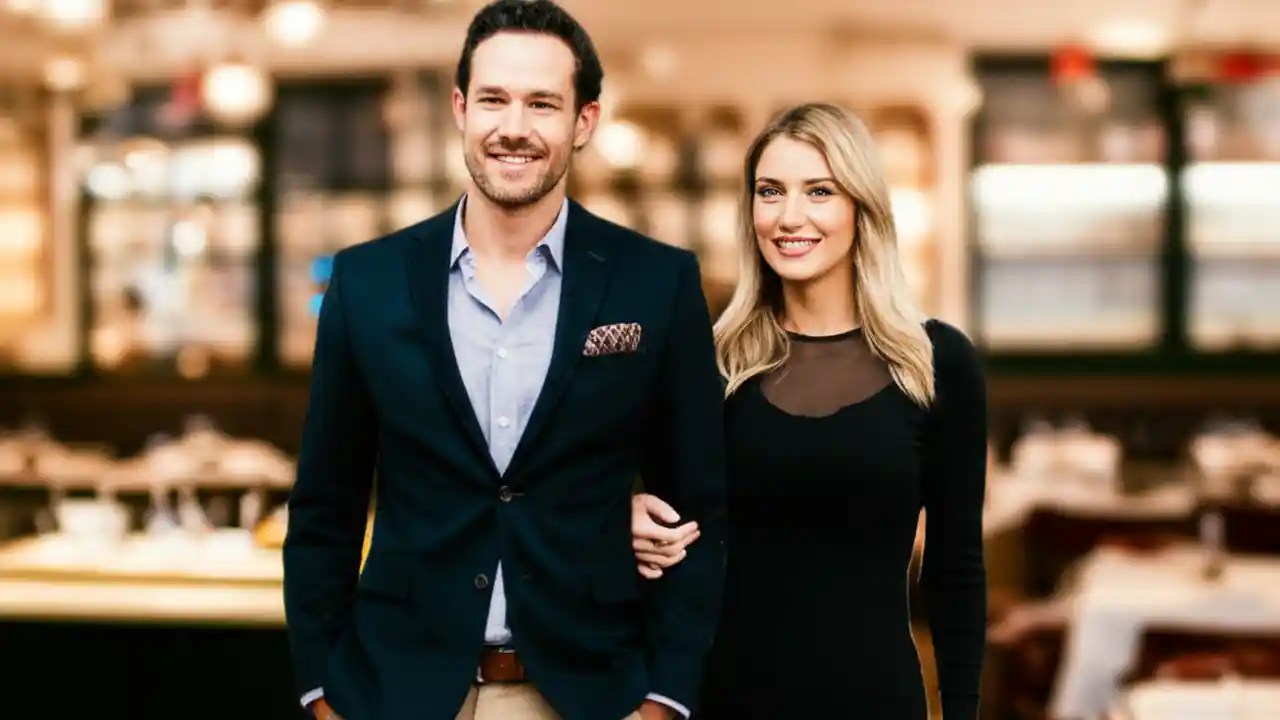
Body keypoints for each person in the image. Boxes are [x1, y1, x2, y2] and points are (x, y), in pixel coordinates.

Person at [282, 2, 726, 719]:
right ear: (460, 108)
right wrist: (320, 696)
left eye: (542, 103)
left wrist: (664, 700)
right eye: (493, 99)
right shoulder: (367, 283)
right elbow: (323, 514)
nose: (513, 126)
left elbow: (701, 512)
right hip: (395, 692)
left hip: (588, 694)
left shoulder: (657, 282)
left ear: (584, 121)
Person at [631, 103, 988, 719]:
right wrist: (626, 515)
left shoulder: (937, 363)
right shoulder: (705, 365)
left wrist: (960, 712)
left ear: (861, 207)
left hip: (875, 702)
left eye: (818, 191)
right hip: (725, 701)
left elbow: (955, 571)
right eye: (770, 192)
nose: (789, 217)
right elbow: (657, 539)